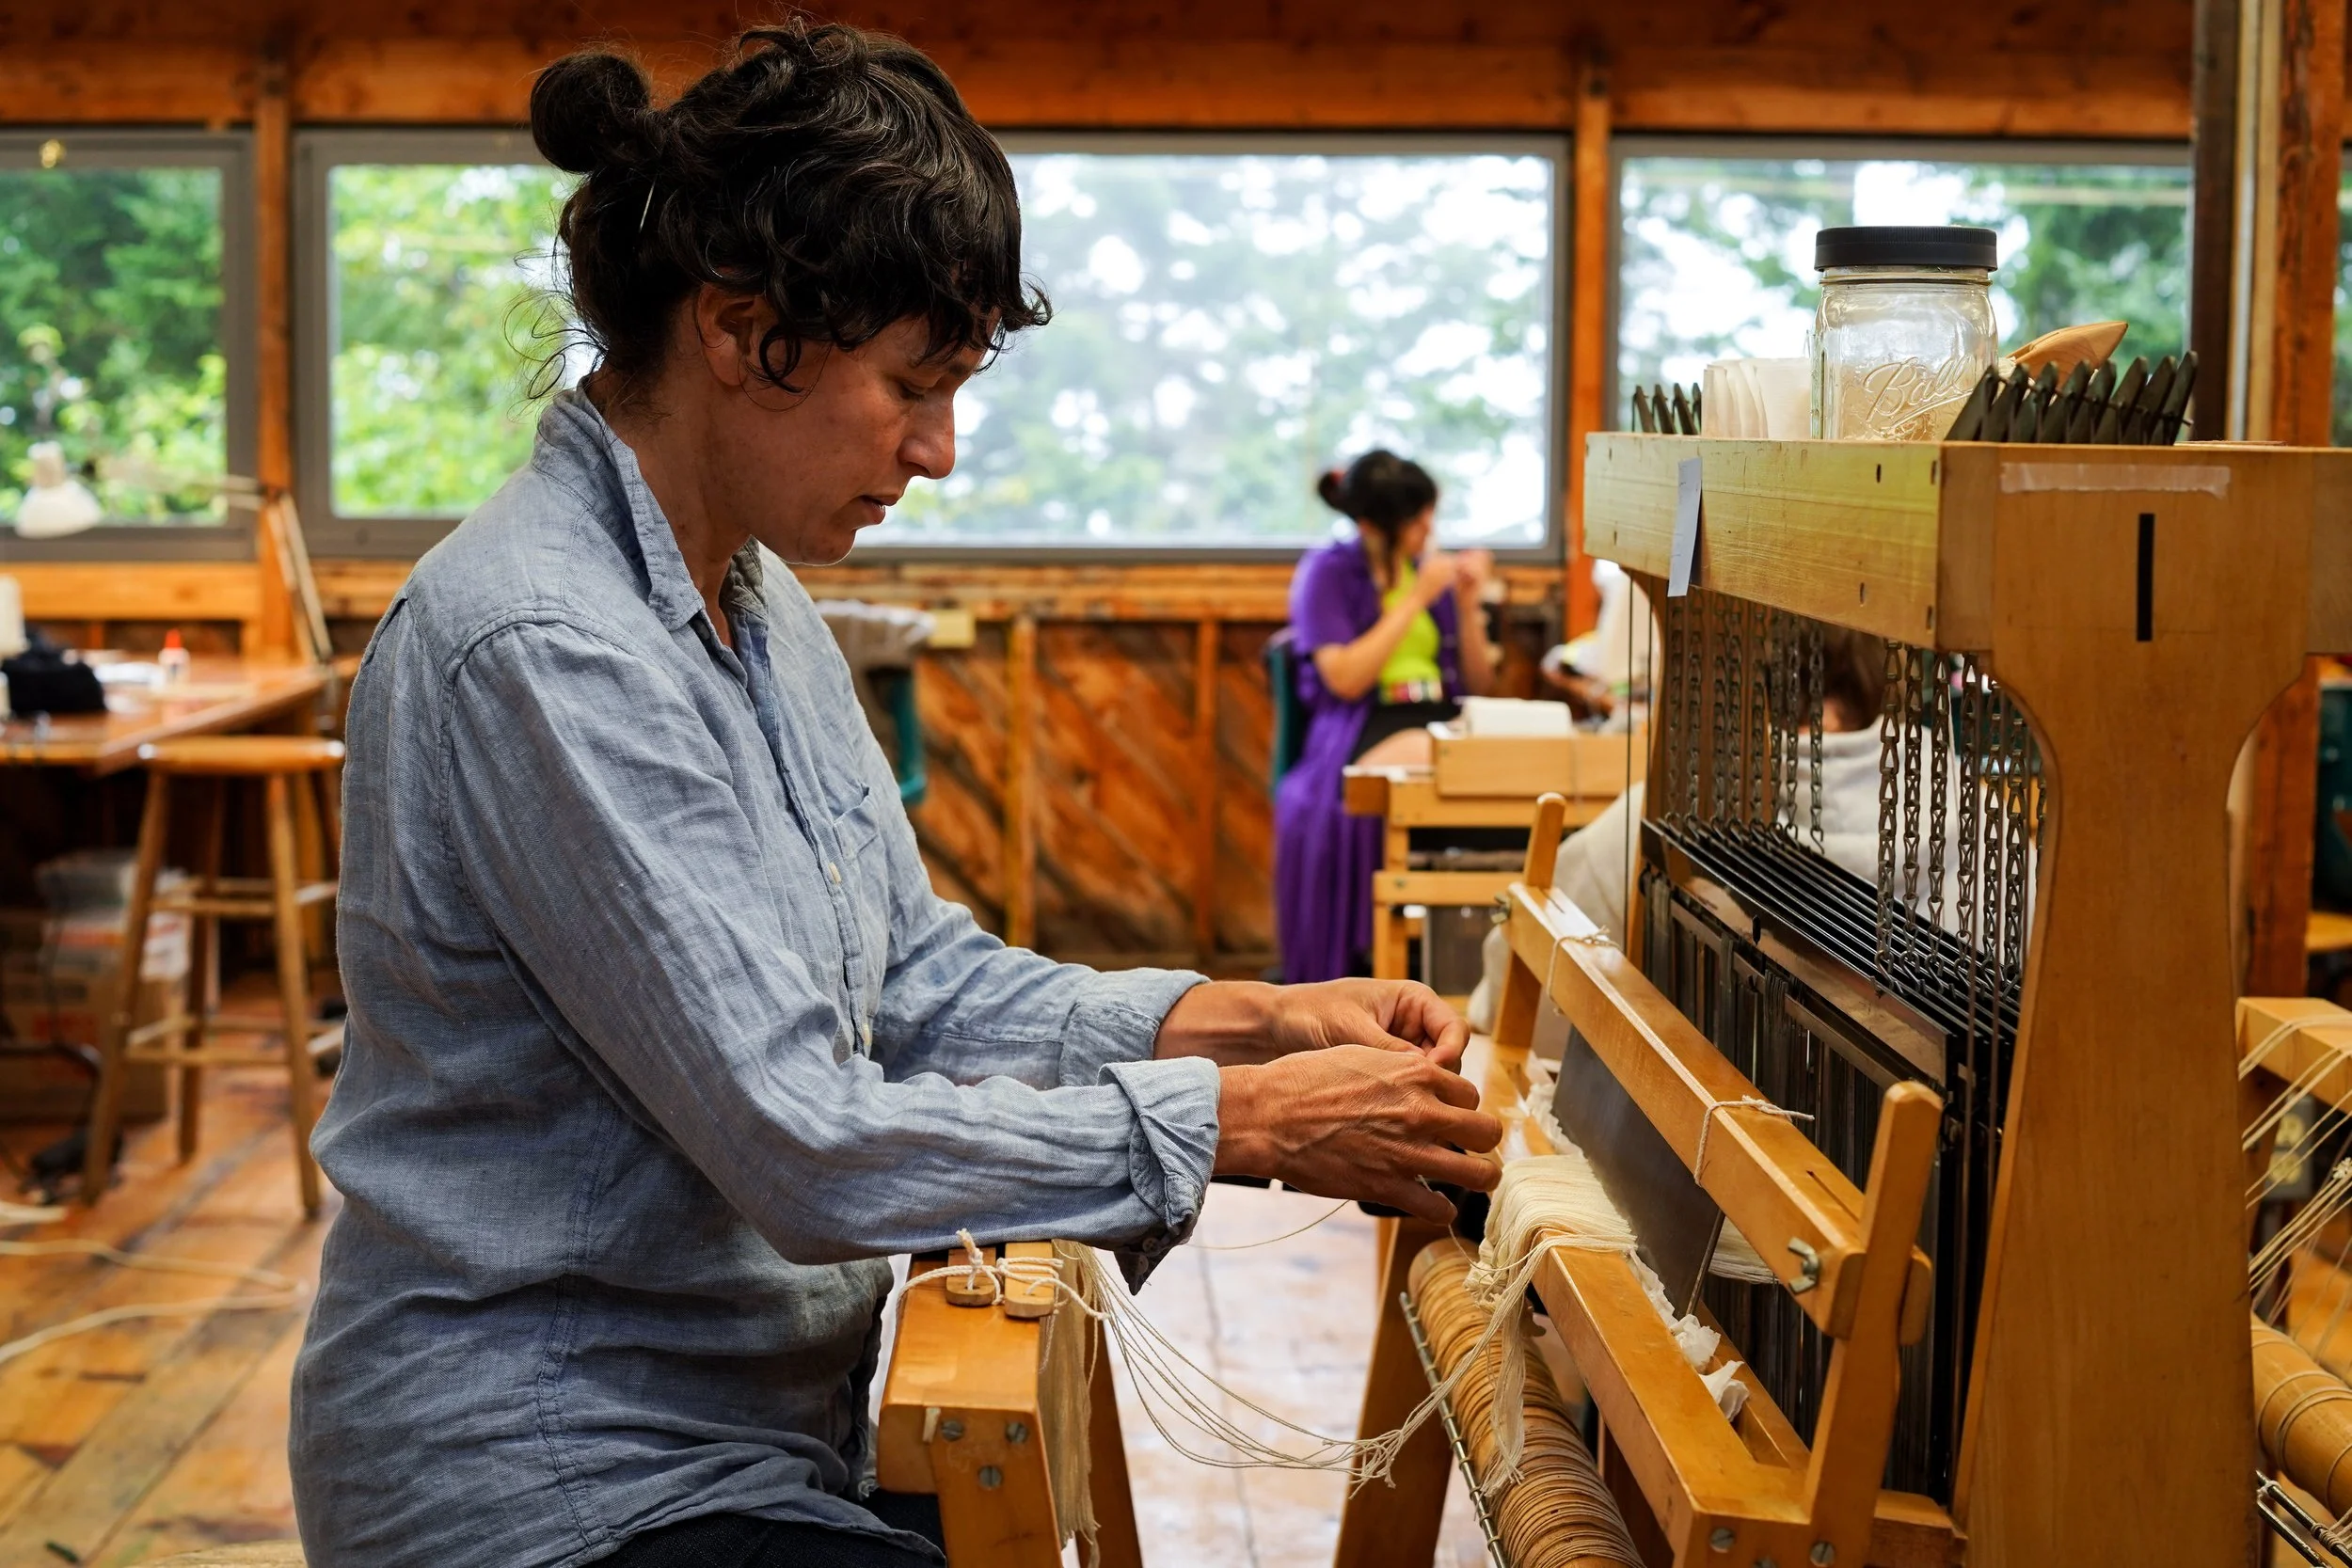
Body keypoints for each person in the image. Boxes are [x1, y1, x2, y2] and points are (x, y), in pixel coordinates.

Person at [289, 27, 1500, 1568]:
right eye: (911, 386)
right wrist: (1245, 1120)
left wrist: (1241, 1016)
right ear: (742, 332)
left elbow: (915, 977)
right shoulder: (545, 647)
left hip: (744, 1433)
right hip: (548, 1475)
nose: (935, 448)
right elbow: (807, 1141)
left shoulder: (758, 605)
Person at [1273, 451, 1497, 983]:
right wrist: (1416, 597)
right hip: (1364, 720)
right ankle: (1383, 959)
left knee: (1500, 766)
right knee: (1432, 764)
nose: (1429, 532)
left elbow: (1480, 685)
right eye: (1417, 521)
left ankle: (1471, 961)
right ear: (1376, 524)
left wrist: (1466, 605)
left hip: (1442, 713)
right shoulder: (1326, 572)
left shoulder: (1429, 574)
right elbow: (1345, 677)